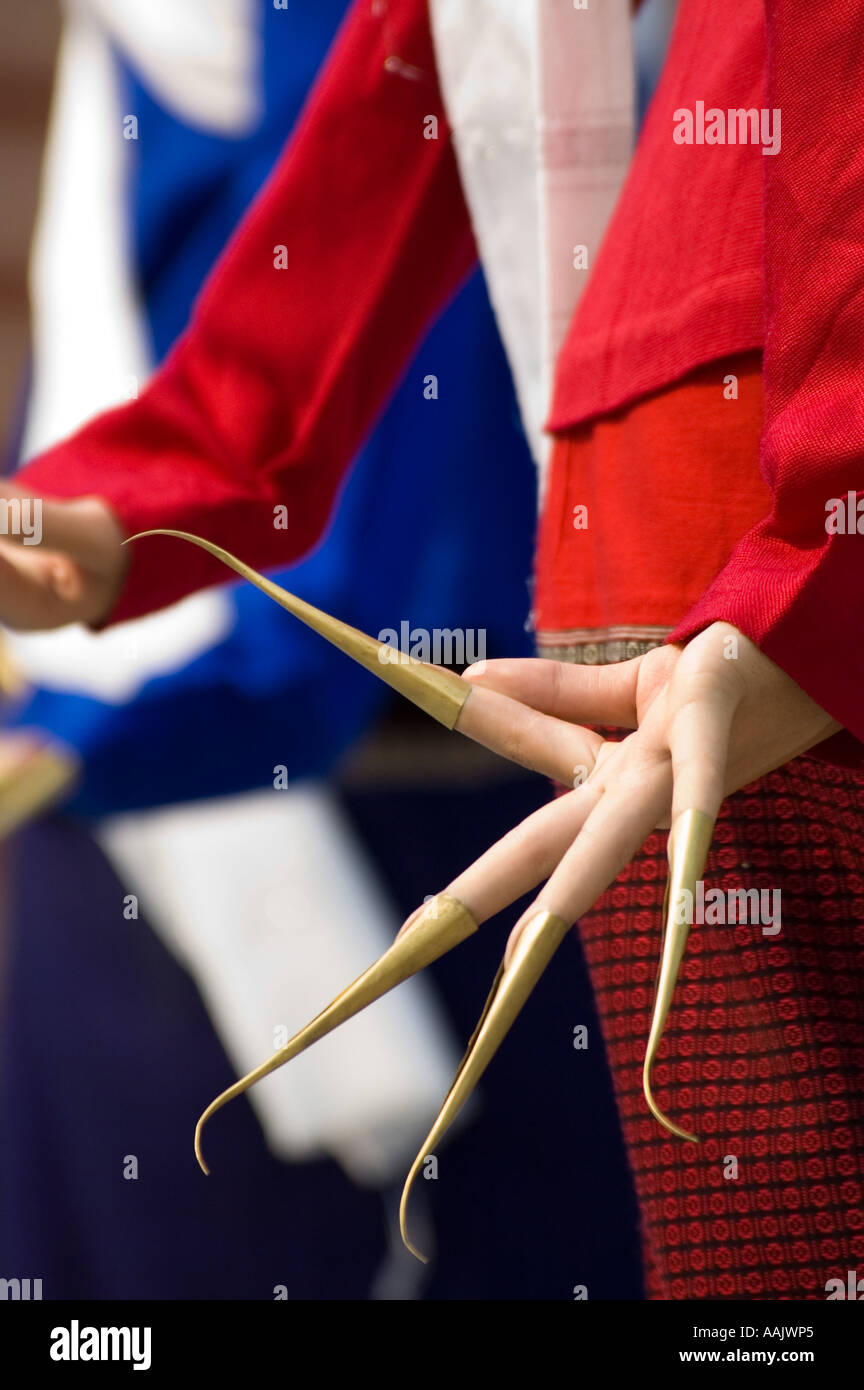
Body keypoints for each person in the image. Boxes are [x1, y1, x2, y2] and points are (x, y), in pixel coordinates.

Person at [2, 0, 863, 1298]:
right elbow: (424, 83)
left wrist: (824, 556)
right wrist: (137, 502)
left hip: (744, 562)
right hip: (655, 568)